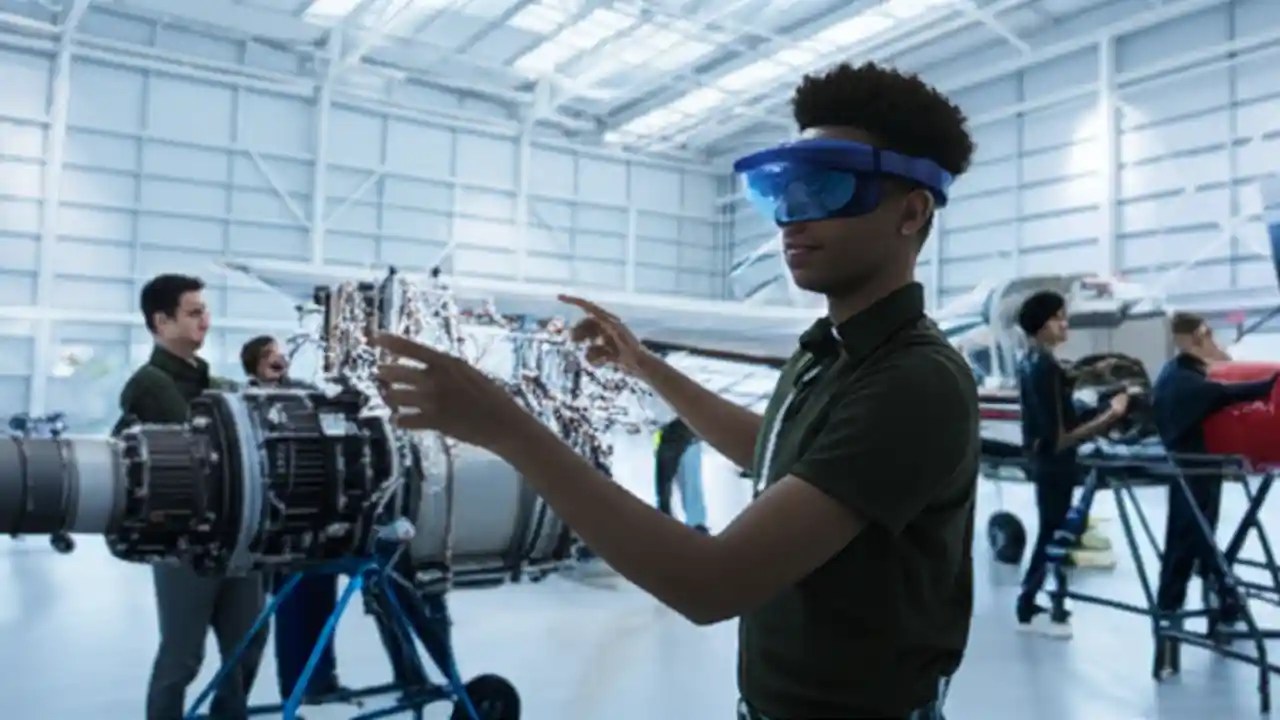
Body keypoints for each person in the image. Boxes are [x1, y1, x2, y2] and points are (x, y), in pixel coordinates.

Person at [376, 61, 979, 719]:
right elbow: (774, 452)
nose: (790, 221)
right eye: (784, 194)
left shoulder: (913, 380)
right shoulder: (828, 353)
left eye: (825, 190)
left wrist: (509, 429)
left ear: (911, 212)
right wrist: (644, 364)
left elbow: (711, 583)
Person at [115, 274, 268, 720]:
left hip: (237, 535)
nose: (206, 320)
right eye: (194, 312)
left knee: (249, 644)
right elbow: (207, 457)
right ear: (161, 322)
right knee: (183, 656)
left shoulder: (218, 385)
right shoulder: (150, 384)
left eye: (206, 310)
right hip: (183, 542)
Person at [1151, 312, 1279, 673]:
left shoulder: (1181, 373)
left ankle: (1223, 604)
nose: (1215, 343)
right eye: (1208, 336)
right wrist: (1271, 382)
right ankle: (1170, 632)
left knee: (1204, 544)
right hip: (1192, 473)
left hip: (1199, 470)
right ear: (1194, 338)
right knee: (1185, 545)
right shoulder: (1184, 381)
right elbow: (1225, 394)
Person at [239, 336, 350, 705]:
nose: (278, 358)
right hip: (280, 527)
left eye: (280, 353)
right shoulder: (247, 404)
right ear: (253, 363)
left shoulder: (303, 393)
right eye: (269, 354)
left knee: (323, 604)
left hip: (318, 518)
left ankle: (323, 679)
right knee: (290, 613)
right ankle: (295, 689)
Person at [1014, 290, 1129, 638]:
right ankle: (1031, 603)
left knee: (1054, 530)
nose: (1065, 324)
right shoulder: (1045, 368)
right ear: (1041, 324)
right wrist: (1113, 415)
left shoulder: (1033, 361)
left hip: (1045, 462)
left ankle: (1041, 600)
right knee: (1055, 532)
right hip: (1055, 464)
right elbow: (1061, 437)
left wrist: (1088, 391)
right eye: (1058, 318)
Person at [654, 418, 709, 533]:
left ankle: (695, 525)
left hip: (683, 431)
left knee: (686, 482)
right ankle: (692, 524)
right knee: (671, 486)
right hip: (670, 432)